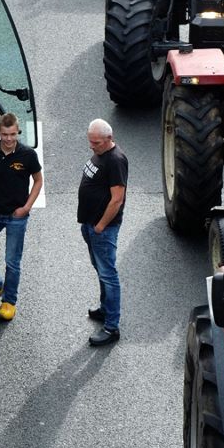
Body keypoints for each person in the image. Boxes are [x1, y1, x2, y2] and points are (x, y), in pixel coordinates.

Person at [0, 113, 43, 322]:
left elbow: (38, 181)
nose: (9, 139)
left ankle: (9, 301)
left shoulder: (28, 155)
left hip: (16, 216)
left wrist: (26, 207)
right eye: (5, 134)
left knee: (12, 261)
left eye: (12, 134)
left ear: (17, 132)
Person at [77, 119, 128, 346]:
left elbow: (117, 199)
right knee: (100, 269)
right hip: (90, 224)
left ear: (109, 139)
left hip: (102, 229)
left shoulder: (116, 160)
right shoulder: (101, 152)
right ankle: (105, 309)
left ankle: (111, 327)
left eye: (95, 142)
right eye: (90, 141)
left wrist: (100, 226)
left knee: (108, 274)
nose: (91, 146)